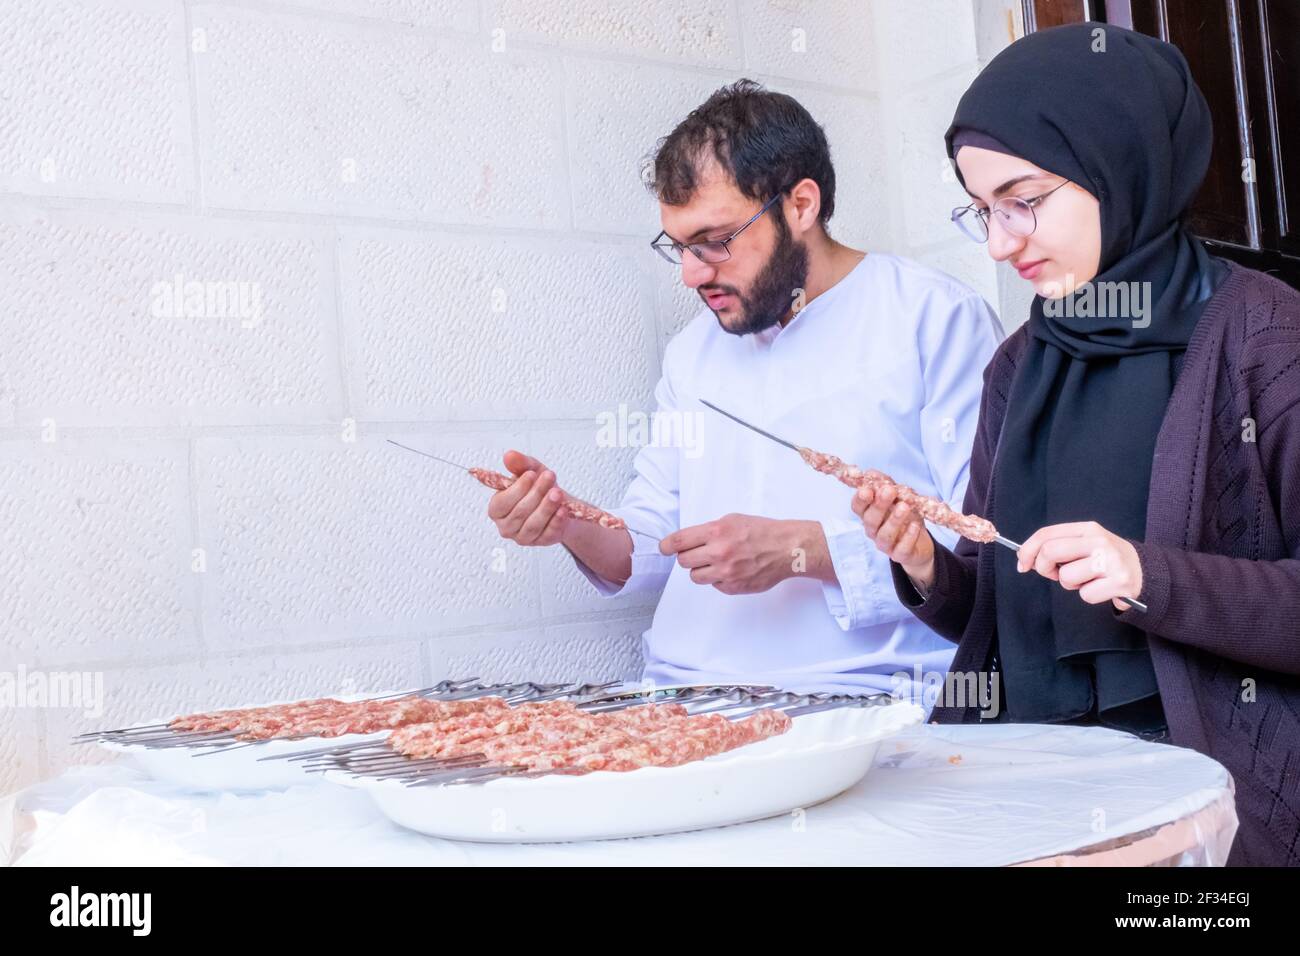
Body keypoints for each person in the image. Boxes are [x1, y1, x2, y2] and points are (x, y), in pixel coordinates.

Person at [855, 23, 1300, 865]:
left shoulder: (1264, 333)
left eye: (1023, 200)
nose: (999, 241)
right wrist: (923, 564)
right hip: (1026, 789)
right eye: (982, 210)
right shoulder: (1017, 367)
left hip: (1216, 801)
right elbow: (991, 607)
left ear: (1117, 161)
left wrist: (1148, 576)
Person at [487, 80, 1002, 700]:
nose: (691, 274)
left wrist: (804, 550)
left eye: (715, 241)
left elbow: (979, 539)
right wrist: (569, 523)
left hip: (865, 699)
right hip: (682, 702)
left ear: (802, 206)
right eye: (678, 247)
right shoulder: (692, 354)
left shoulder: (932, 316)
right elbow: (652, 543)